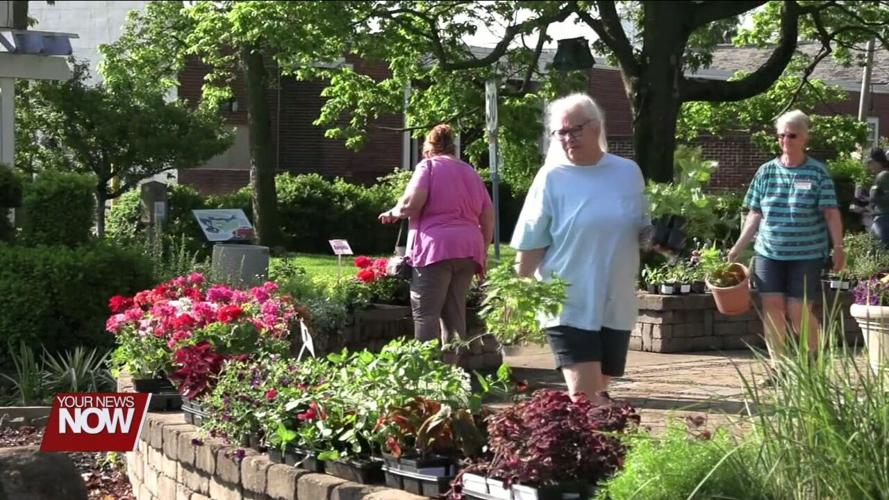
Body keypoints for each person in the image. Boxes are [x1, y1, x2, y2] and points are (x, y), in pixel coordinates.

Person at [510, 93, 648, 404]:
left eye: (575, 130)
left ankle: (600, 450)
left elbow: (640, 232)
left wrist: (664, 239)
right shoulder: (551, 178)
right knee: (586, 398)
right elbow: (532, 243)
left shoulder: (627, 172)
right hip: (567, 300)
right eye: (560, 132)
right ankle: (600, 448)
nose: (567, 138)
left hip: (615, 302)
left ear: (596, 127)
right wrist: (514, 296)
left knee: (598, 391)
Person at [727, 110, 844, 367]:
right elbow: (755, 213)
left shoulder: (817, 172)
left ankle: (814, 362)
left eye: (792, 135)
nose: (786, 141)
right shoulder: (766, 172)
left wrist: (838, 247)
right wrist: (738, 247)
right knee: (772, 308)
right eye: (781, 135)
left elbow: (831, 213)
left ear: (804, 138)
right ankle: (778, 366)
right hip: (769, 252)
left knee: (798, 310)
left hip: (807, 254)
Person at [378, 124, 495, 346]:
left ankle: (428, 373)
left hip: (435, 250)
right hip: (469, 251)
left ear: (428, 149)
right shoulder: (470, 172)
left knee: (426, 313)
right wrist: (483, 252)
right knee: (454, 314)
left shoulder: (428, 166)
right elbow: (488, 216)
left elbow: (412, 204)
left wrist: (393, 213)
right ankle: (453, 372)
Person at [867, 147, 889, 246]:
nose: (869, 166)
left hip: (883, 219)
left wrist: (873, 198)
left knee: (879, 251)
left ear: (878, 161)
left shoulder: (883, 176)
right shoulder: (882, 175)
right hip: (881, 218)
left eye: (870, 162)